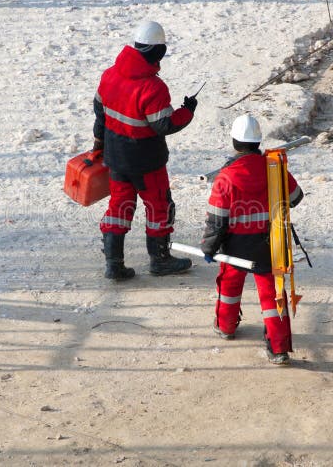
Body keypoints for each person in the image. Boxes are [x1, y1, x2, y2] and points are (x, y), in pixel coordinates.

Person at [92, 20, 198, 280]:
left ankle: (113, 264)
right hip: (146, 162)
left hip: (116, 158)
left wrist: (99, 144)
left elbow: (99, 114)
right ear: (157, 51)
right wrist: (188, 111)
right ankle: (160, 260)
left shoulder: (109, 74)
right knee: (159, 206)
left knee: (120, 206)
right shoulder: (153, 87)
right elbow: (164, 124)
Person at [199, 114, 304, 365]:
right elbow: (296, 197)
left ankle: (225, 326)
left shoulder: (226, 177)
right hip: (272, 243)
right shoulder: (274, 169)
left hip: (236, 246)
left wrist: (209, 247)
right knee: (272, 293)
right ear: (258, 142)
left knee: (229, 286)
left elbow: (217, 220)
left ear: (235, 142)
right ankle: (278, 348)